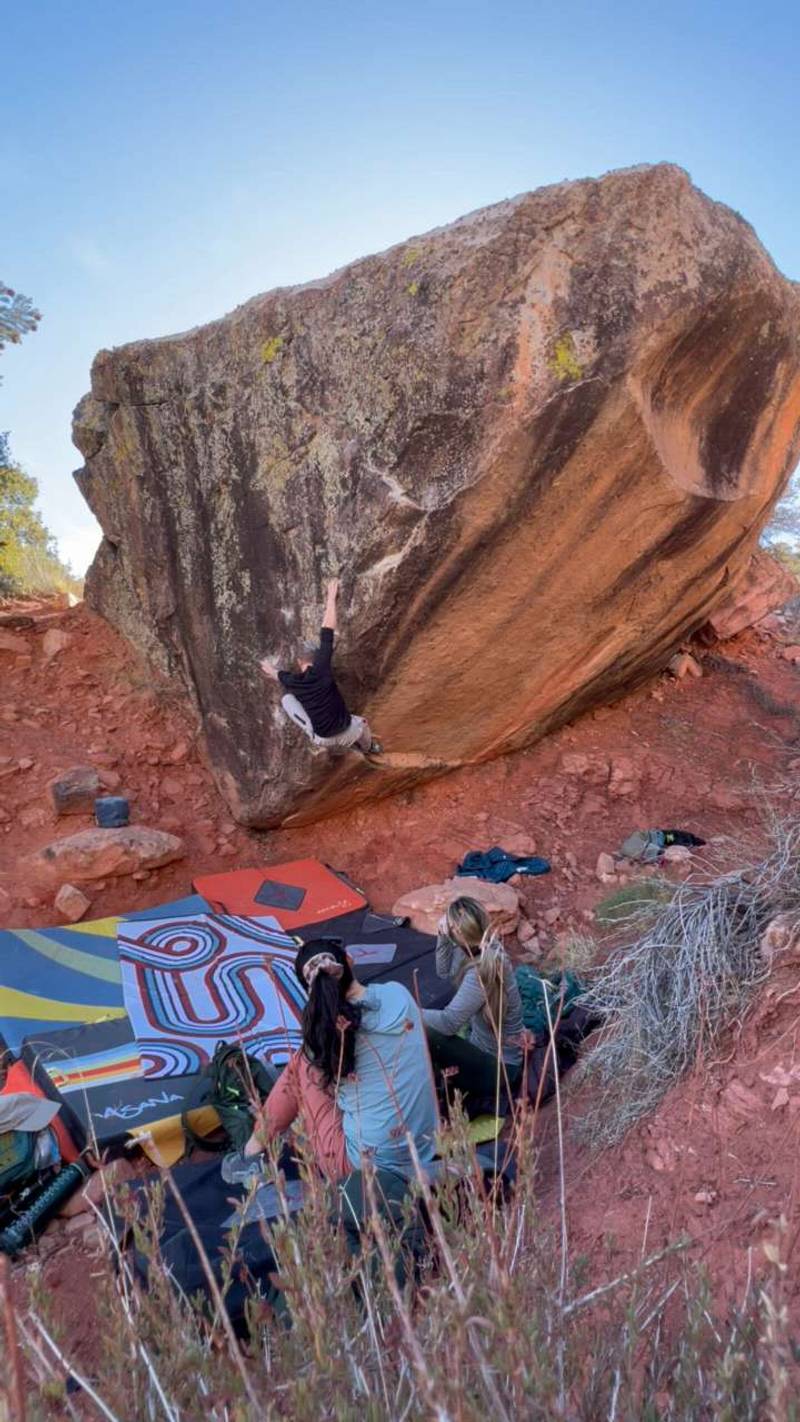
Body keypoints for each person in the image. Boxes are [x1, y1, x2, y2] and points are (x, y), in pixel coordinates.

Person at [244, 938, 439, 1283]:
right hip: (424, 1145)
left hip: (361, 1165)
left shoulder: (327, 1034)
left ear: (307, 988)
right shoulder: (398, 994)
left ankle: (254, 1145)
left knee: (301, 1066)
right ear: (350, 960)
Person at [422, 896, 525, 1117]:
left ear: (459, 932)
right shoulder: (484, 946)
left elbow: (448, 1023)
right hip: (481, 1047)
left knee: (427, 1030)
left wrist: (407, 1009)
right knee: (433, 1019)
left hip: (500, 1070)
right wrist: (443, 936)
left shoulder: (482, 971)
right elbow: (443, 971)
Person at [260, 578, 382, 755]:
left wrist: (265, 666)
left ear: (299, 661)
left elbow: (274, 673)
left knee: (286, 699)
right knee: (362, 723)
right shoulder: (322, 669)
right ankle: (370, 748)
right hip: (348, 733)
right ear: (316, 657)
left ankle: (311, 732)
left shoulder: (292, 681)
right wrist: (331, 598)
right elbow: (327, 631)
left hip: (322, 738)